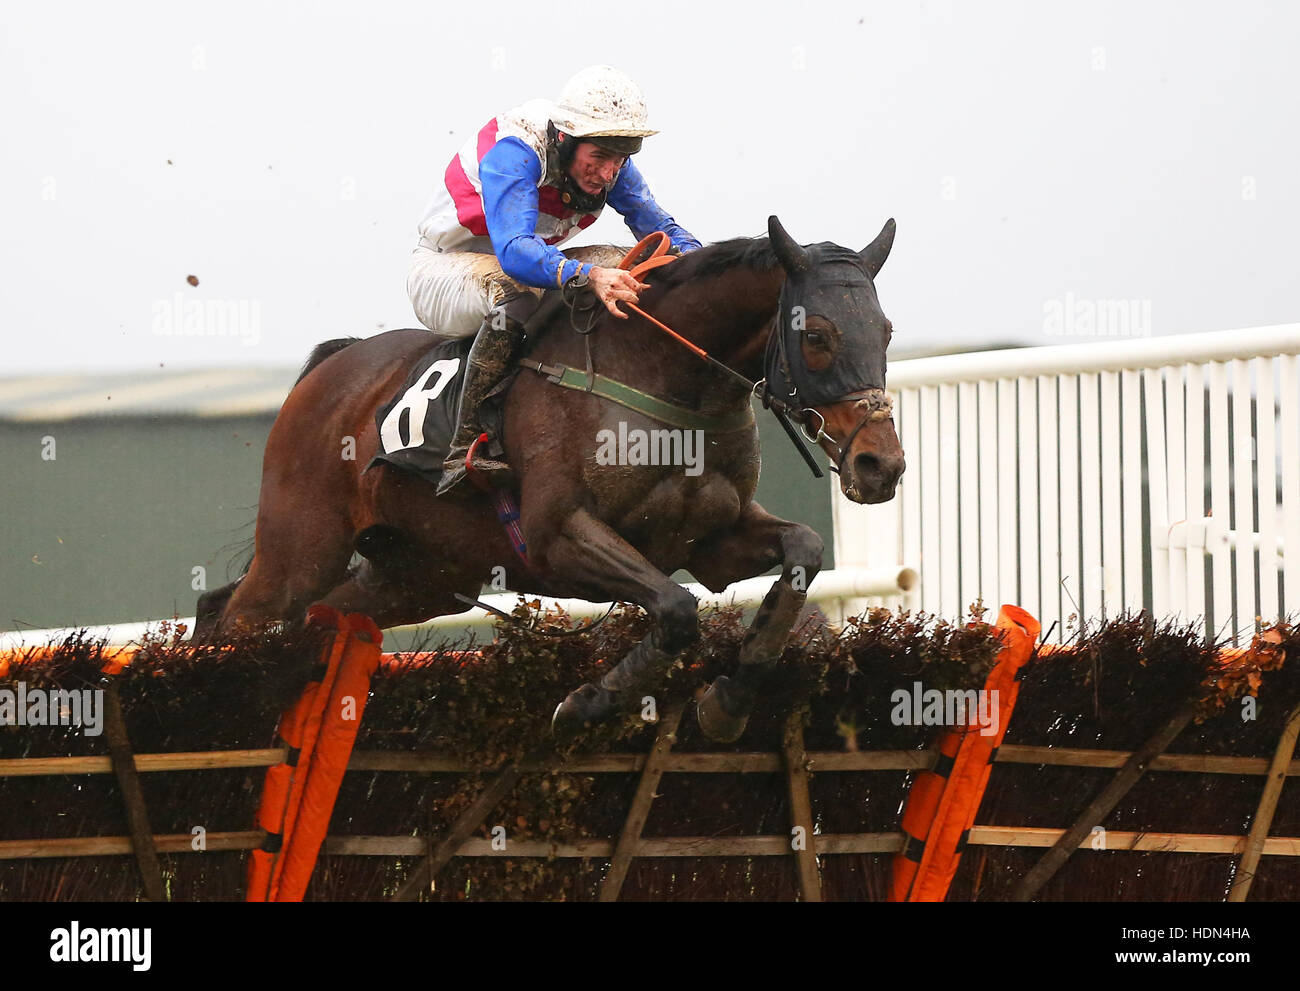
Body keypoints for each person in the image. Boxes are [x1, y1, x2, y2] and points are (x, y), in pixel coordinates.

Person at [408, 64, 702, 495]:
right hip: (446, 266)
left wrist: (703, 266)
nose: (607, 174)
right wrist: (588, 275)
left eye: (618, 160)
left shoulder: (607, 162)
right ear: (565, 139)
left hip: (531, 262)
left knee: (632, 265)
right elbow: (513, 253)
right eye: (599, 158)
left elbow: (662, 230)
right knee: (520, 294)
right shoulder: (517, 149)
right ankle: (465, 444)